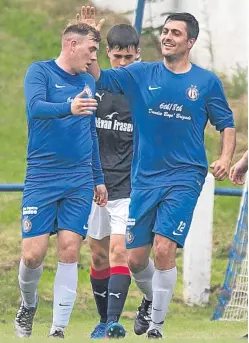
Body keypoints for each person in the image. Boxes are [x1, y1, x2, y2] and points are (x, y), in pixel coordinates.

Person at [81, 8, 236, 339]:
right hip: (144, 179)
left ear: (190, 41)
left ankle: (156, 328)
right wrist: (91, 42)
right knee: (136, 259)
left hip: (185, 176)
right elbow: (99, 76)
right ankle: (151, 300)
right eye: (165, 31)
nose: (167, 36)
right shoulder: (140, 74)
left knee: (164, 248)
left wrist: (224, 157)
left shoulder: (206, 82)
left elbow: (227, 125)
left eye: (176, 33)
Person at [14, 19, 108, 339]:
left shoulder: (88, 82)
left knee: (70, 248)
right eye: (91, 50)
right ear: (72, 45)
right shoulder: (39, 72)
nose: (94, 57)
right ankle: (28, 305)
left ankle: (58, 330)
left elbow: (90, 132)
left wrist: (97, 177)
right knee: (33, 254)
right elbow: (35, 108)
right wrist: (69, 106)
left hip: (80, 177)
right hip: (42, 175)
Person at [85, 22, 140, 338]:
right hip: (96, 186)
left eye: (128, 58)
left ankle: (113, 323)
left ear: (138, 55)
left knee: (120, 252)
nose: (122, 63)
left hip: (129, 187)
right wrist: (89, 36)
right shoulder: (95, 86)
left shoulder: (141, 92)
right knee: (98, 254)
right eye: (117, 56)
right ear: (106, 53)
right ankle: (103, 319)